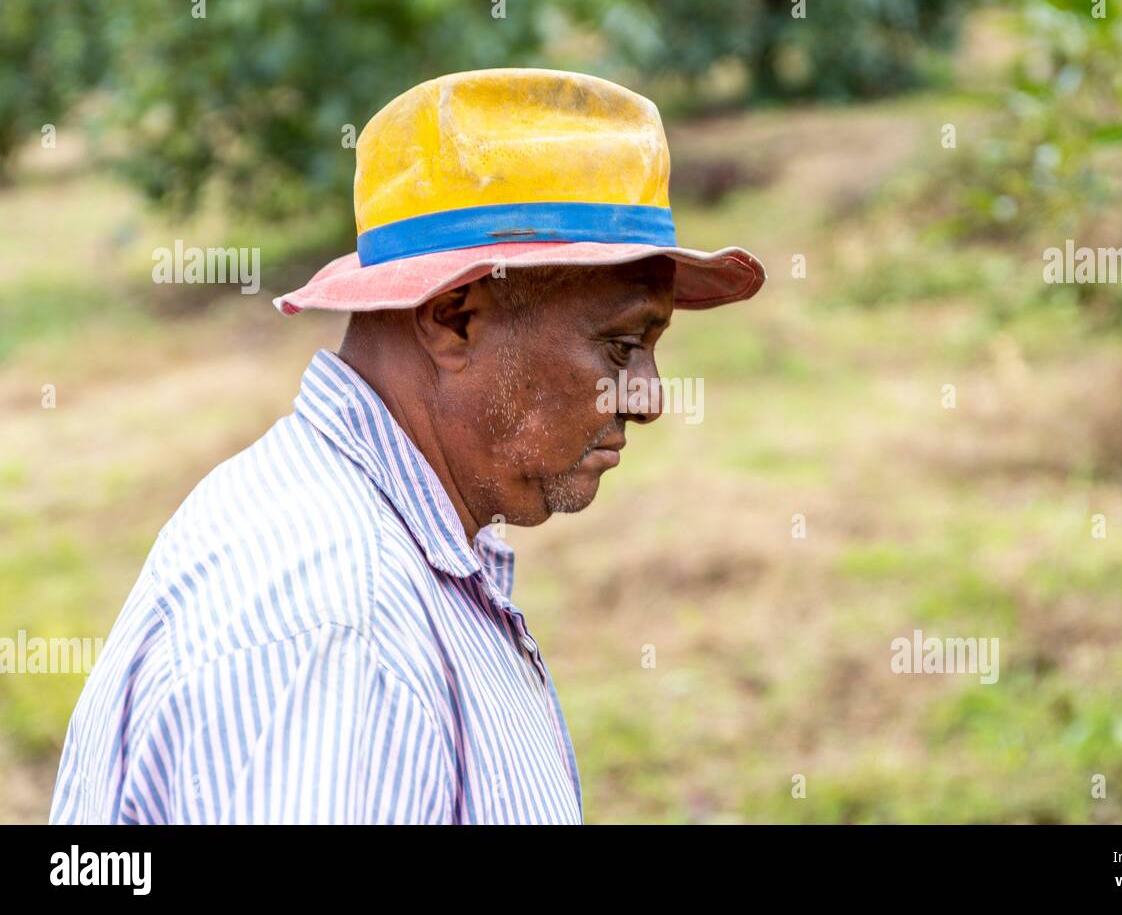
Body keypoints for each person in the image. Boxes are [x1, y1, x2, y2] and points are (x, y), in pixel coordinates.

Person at [50, 68, 766, 824]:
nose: (649, 399)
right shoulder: (344, 629)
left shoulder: (356, 530)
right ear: (454, 317)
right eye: (621, 346)